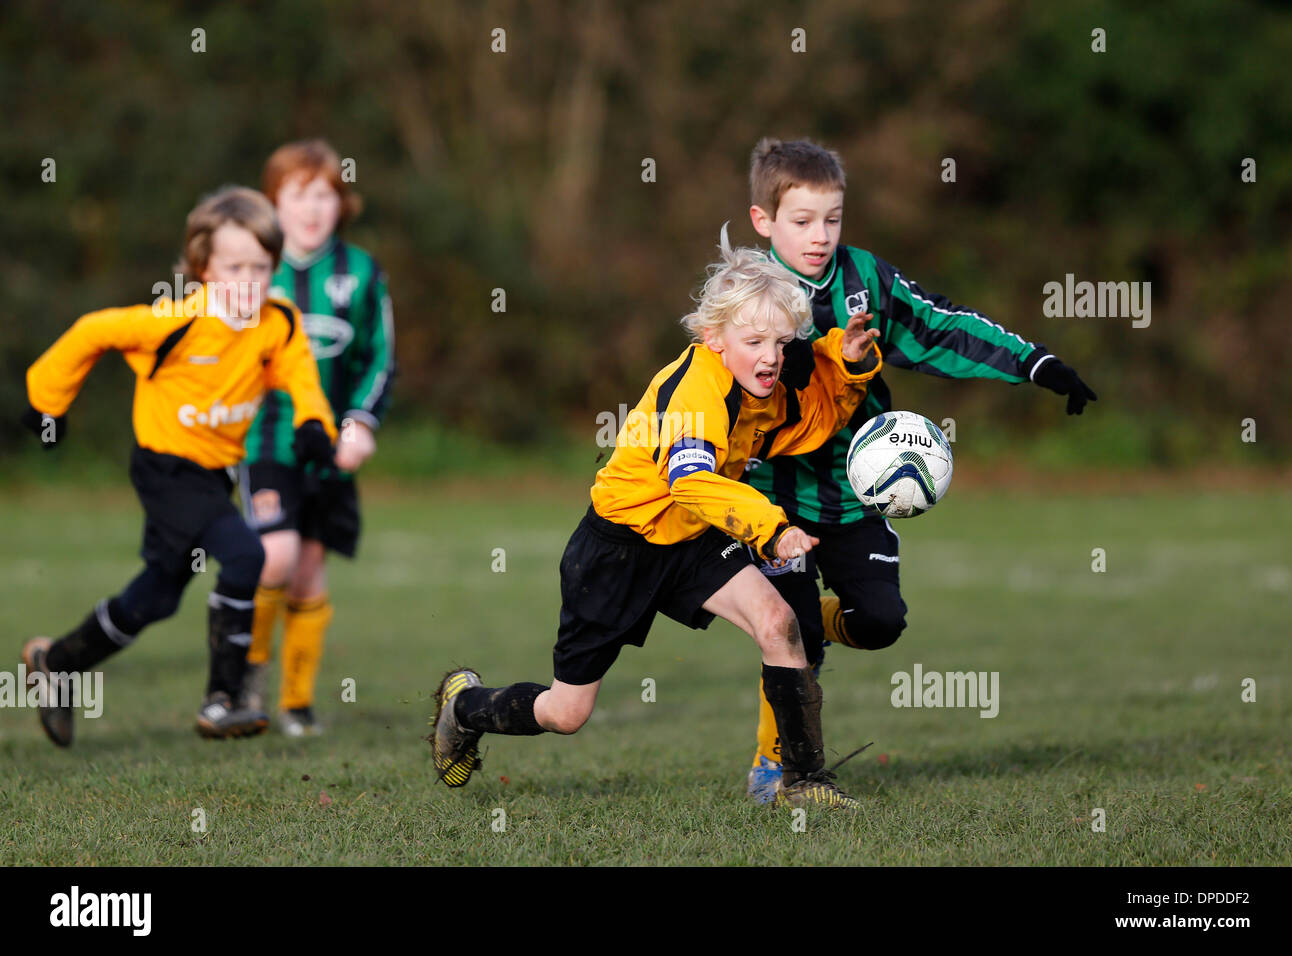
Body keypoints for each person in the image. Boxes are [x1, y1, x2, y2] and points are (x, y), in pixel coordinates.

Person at [430, 226, 883, 809]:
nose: (770, 357)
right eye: (754, 342)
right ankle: (464, 707)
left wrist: (846, 368)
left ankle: (801, 783)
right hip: (618, 548)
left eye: (781, 342)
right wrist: (772, 528)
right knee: (567, 713)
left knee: (779, 622)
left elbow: (808, 418)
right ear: (712, 337)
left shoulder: (763, 377)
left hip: (693, 539)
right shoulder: (695, 391)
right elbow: (690, 481)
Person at [741, 138, 1099, 802]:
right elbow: (704, 382)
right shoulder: (744, 294)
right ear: (763, 221)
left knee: (880, 623)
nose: (820, 236)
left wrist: (1035, 363)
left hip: (854, 494)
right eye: (801, 221)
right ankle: (776, 768)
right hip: (771, 495)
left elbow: (940, 328)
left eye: (833, 218)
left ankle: (817, 622)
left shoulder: (867, 282)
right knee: (787, 631)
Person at [20, 186, 337, 746]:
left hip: (214, 473)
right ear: (202, 268)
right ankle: (223, 699)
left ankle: (58, 663)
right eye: (233, 265)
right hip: (165, 468)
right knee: (246, 554)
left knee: (158, 596)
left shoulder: (278, 322)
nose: (248, 279)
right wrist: (48, 402)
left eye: (261, 266)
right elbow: (93, 331)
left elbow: (301, 376)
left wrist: (314, 425)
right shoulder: (175, 323)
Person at [240, 139, 396, 737]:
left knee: (308, 568)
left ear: (342, 203)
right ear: (273, 202)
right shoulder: (254, 269)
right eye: (298, 195)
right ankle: (244, 675)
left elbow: (380, 359)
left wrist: (360, 421)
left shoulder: (360, 273)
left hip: (331, 449)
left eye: (324, 195)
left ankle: (296, 704)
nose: (312, 209)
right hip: (264, 442)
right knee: (272, 556)